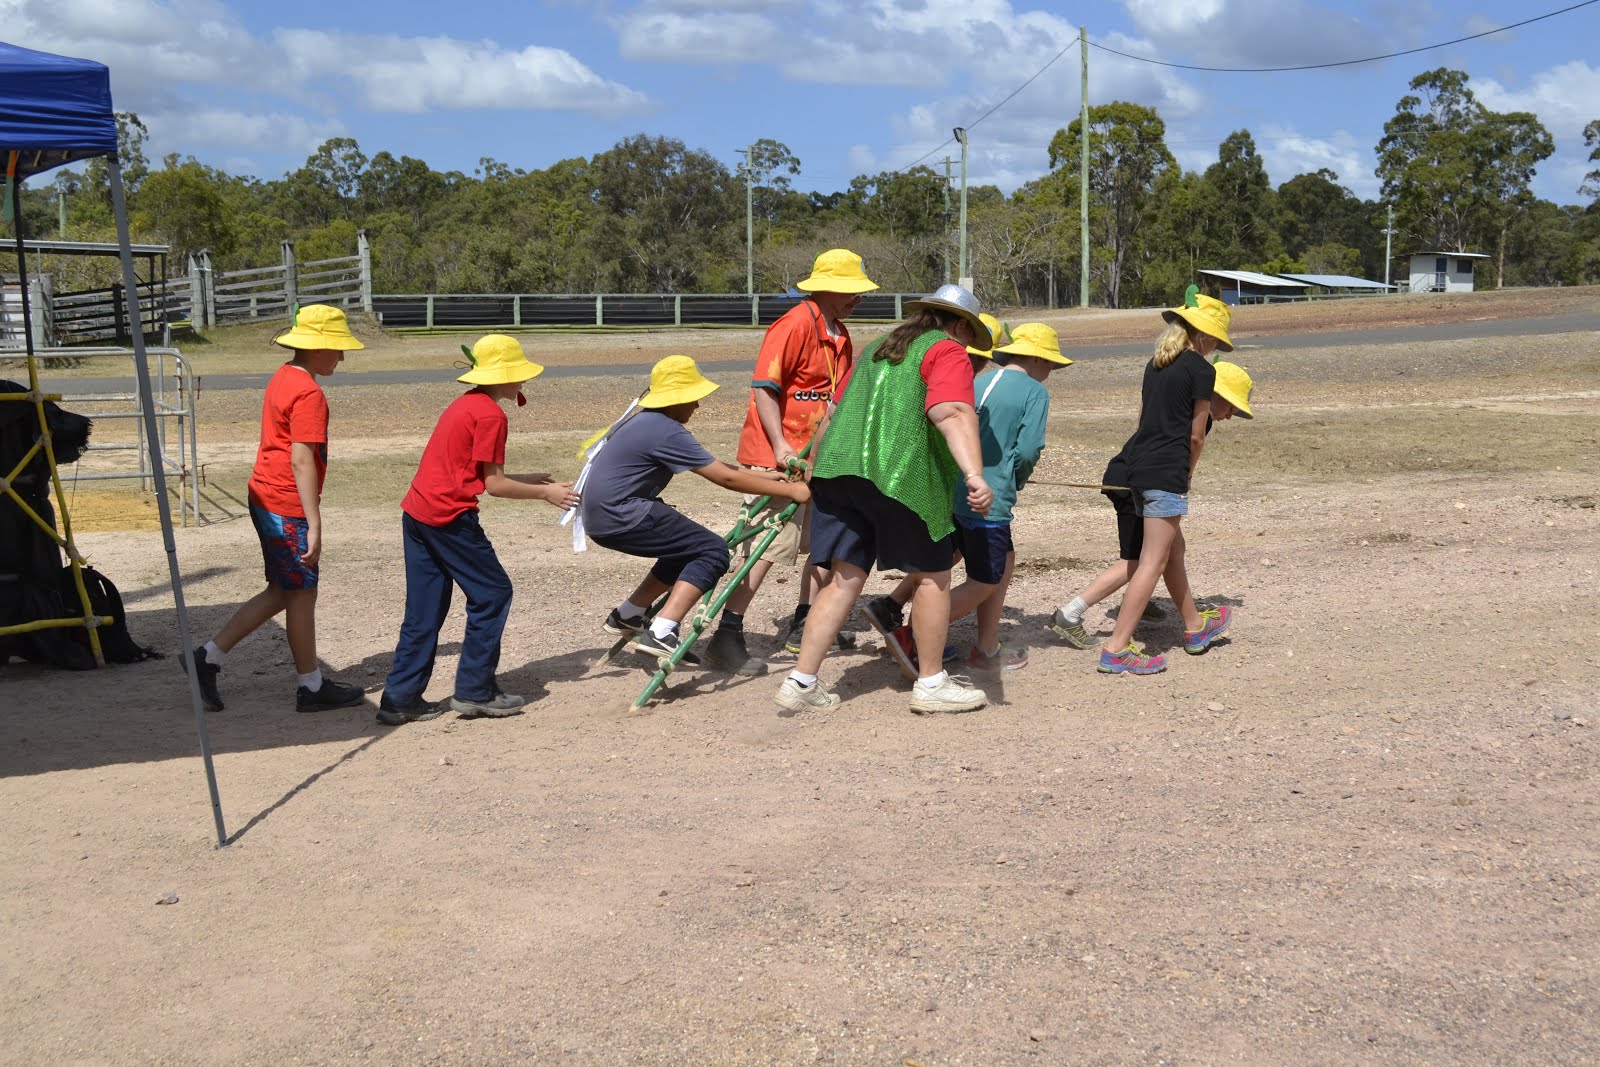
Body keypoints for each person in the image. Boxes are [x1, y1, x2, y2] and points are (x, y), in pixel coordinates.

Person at [772, 284, 995, 716]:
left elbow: (833, 413)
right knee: (933, 575)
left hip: (839, 473)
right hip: (899, 477)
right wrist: (973, 474)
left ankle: (802, 681)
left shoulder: (879, 347)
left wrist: (814, 466)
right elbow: (951, 411)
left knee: (843, 578)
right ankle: (931, 683)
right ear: (959, 325)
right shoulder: (946, 349)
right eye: (968, 334)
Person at [377, 336, 580, 726]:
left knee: (424, 609)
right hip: (448, 519)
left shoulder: (465, 405)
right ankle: (475, 691)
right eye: (517, 375)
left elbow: (473, 473)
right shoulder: (490, 416)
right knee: (493, 593)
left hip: (418, 513)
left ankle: (400, 698)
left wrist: (530, 478)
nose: (523, 381)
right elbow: (495, 486)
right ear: (502, 378)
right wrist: (545, 493)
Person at [705, 248, 878, 677]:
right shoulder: (795, 324)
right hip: (777, 458)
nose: (857, 299)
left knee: (820, 544)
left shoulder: (839, 332)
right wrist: (781, 447)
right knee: (766, 546)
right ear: (825, 289)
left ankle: (806, 620)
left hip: (815, 456)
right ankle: (726, 635)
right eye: (850, 291)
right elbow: (765, 388)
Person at [186, 304, 366, 713]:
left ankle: (208, 657)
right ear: (318, 349)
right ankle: (311, 686)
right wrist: (314, 522)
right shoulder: (309, 393)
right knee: (302, 593)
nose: (342, 356)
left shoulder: (285, 376)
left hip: (264, 495)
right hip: (285, 504)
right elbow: (302, 459)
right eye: (337, 348)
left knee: (284, 590)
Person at [1058, 289, 1248, 675]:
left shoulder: (1156, 364)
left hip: (1138, 470)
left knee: (1172, 550)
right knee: (1150, 562)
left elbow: (1143, 421)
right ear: (1206, 336)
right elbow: (1196, 435)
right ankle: (1117, 648)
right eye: (1215, 340)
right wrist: (1188, 473)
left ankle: (1195, 627)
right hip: (1166, 473)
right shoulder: (1201, 369)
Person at [869, 322, 1071, 675]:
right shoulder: (1034, 392)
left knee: (997, 559)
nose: (1050, 372)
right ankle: (913, 636)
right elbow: (1027, 449)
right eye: (1051, 364)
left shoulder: (976, 382)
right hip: (988, 498)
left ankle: (984, 647)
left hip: (953, 490)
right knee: (986, 579)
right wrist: (1015, 480)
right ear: (1038, 360)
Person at [584, 355, 811, 666]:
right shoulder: (664, 429)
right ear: (676, 399)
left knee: (682, 552)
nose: (697, 407)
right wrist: (793, 490)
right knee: (714, 551)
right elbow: (725, 478)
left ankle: (629, 614)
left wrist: (765, 477)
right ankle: (662, 631)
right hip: (624, 514)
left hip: (601, 518)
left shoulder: (647, 422)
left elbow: (715, 466)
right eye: (692, 399)